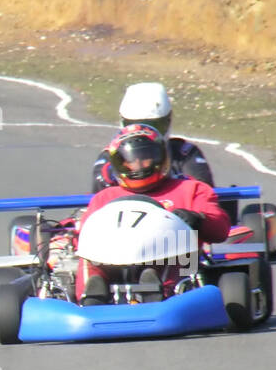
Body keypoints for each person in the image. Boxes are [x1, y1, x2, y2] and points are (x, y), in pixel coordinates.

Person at [77, 123, 230, 305]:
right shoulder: (105, 197)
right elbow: (86, 234)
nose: (138, 166)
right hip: (114, 259)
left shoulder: (191, 189)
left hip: (173, 257)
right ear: (118, 165)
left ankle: (158, 291)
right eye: (130, 161)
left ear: (162, 157)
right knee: (90, 257)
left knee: (179, 249)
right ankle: (93, 296)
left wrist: (198, 219)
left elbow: (220, 228)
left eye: (145, 159)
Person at [92, 81, 214, 192]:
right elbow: (94, 205)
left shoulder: (185, 154)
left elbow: (204, 195)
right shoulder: (109, 158)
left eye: (154, 125)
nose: (143, 134)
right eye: (135, 125)